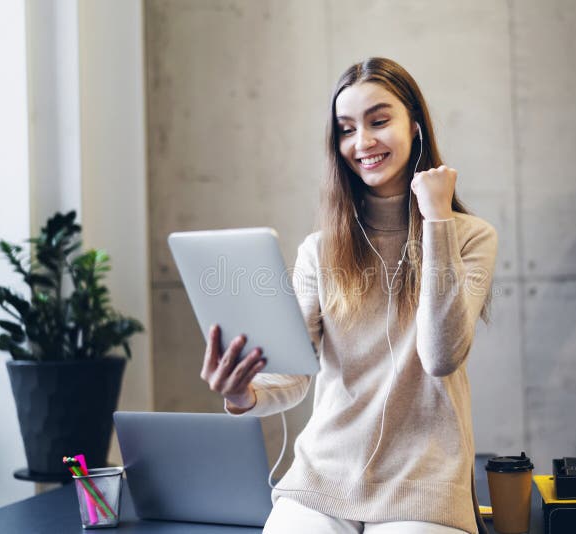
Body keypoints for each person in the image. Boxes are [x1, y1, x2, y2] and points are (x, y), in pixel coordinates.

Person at [199, 57, 498, 534]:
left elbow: (440, 356)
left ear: (415, 126)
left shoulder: (469, 237)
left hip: (424, 483)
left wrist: (436, 218)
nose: (362, 143)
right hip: (323, 478)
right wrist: (242, 393)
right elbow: (296, 373)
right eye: (346, 129)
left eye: (379, 121)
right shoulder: (320, 250)